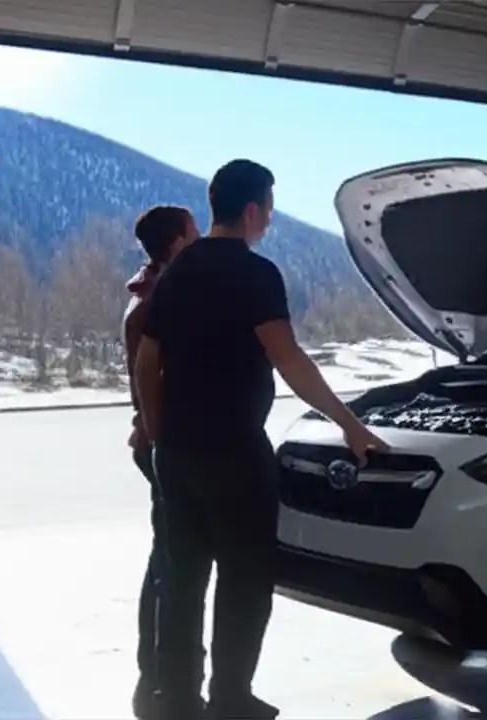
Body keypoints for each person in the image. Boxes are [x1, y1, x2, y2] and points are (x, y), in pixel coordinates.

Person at [135, 159, 388, 719]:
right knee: (245, 582)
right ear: (252, 209)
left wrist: (158, 435)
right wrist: (350, 424)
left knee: (181, 580)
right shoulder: (255, 274)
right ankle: (230, 698)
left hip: (177, 453)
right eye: (269, 208)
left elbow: (148, 357)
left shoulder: (177, 270)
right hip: (234, 453)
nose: (269, 219)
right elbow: (288, 357)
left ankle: (175, 699)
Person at [122, 204, 199, 719]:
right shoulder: (159, 303)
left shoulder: (149, 295)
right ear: (175, 244)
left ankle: (157, 679)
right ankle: (160, 683)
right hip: (164, 443)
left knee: (166, 562)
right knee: (173, 568)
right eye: (194, 233)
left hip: (152, 440)